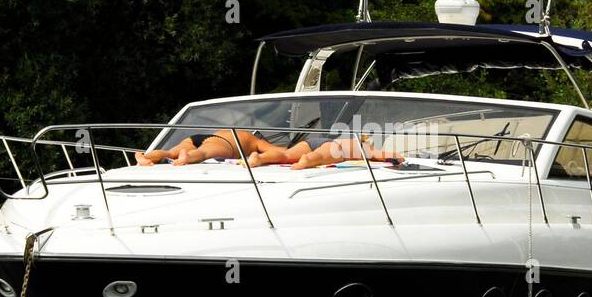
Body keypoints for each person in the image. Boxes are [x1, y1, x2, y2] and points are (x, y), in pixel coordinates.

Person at [135, 130, 399, 169]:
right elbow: (382, 156)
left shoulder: (221, 132)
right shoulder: (357, 144)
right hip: (324, 146)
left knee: (174, 149)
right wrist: (394, 158)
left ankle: (146, 156)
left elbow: (285, 152)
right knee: (311, 156)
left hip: (198, 138)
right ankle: (305, 161)